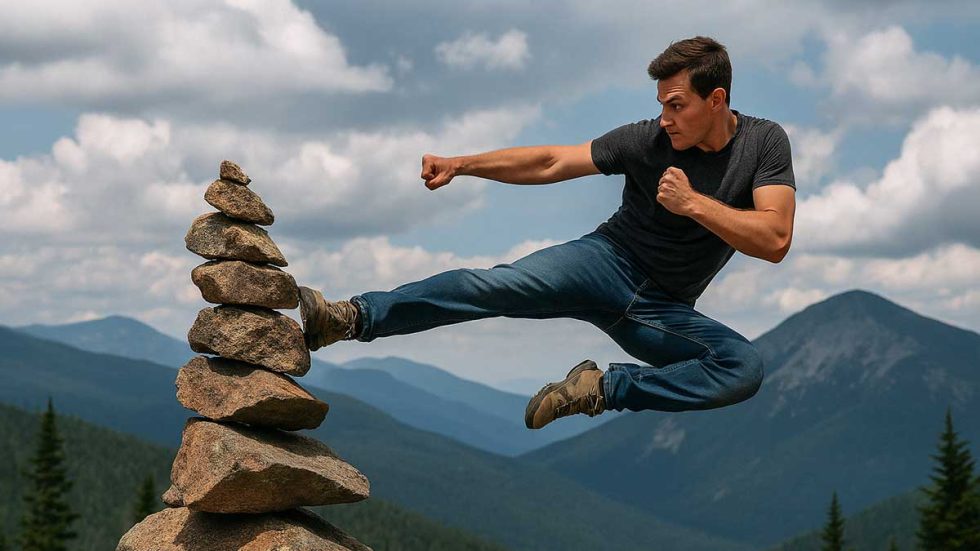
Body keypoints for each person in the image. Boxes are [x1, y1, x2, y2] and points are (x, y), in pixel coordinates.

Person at [299, 35, 796, 430]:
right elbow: (552, 161)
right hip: (604, 264)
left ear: (716, 99)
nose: (665, 119)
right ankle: (350, 318)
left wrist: (692, 204)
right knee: (494, 286)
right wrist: (461, 164)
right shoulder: (644, 139)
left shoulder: (764, 143)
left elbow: (775, 240)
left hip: (662, 311)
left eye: (677, 106)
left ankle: (599, 389)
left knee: (742, 368)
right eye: (661, 105)